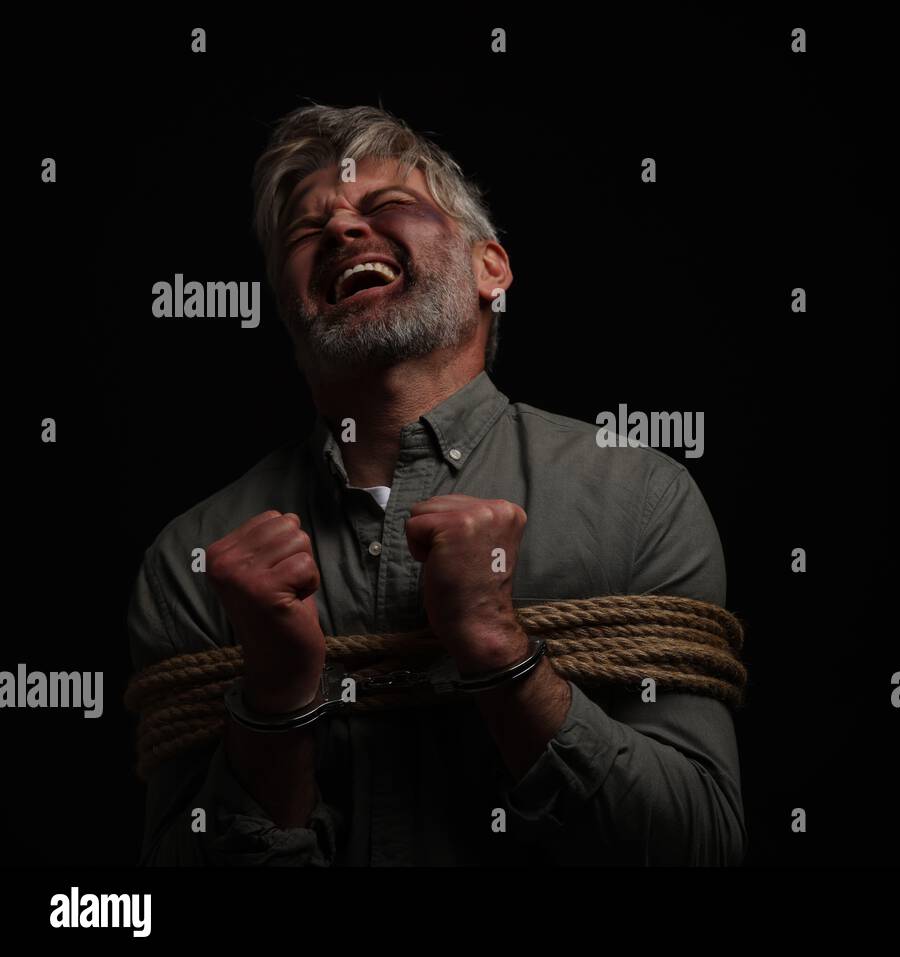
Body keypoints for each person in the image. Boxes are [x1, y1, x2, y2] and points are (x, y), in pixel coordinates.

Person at [126, 104, 745, 866]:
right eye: (304, 232)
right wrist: (276, 700)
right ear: (289, 308)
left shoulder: (640, 496)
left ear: (492, 269)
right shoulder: (195, 560)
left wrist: (500, 652)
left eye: (384, 206)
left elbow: (703, 849)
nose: (343, 232)